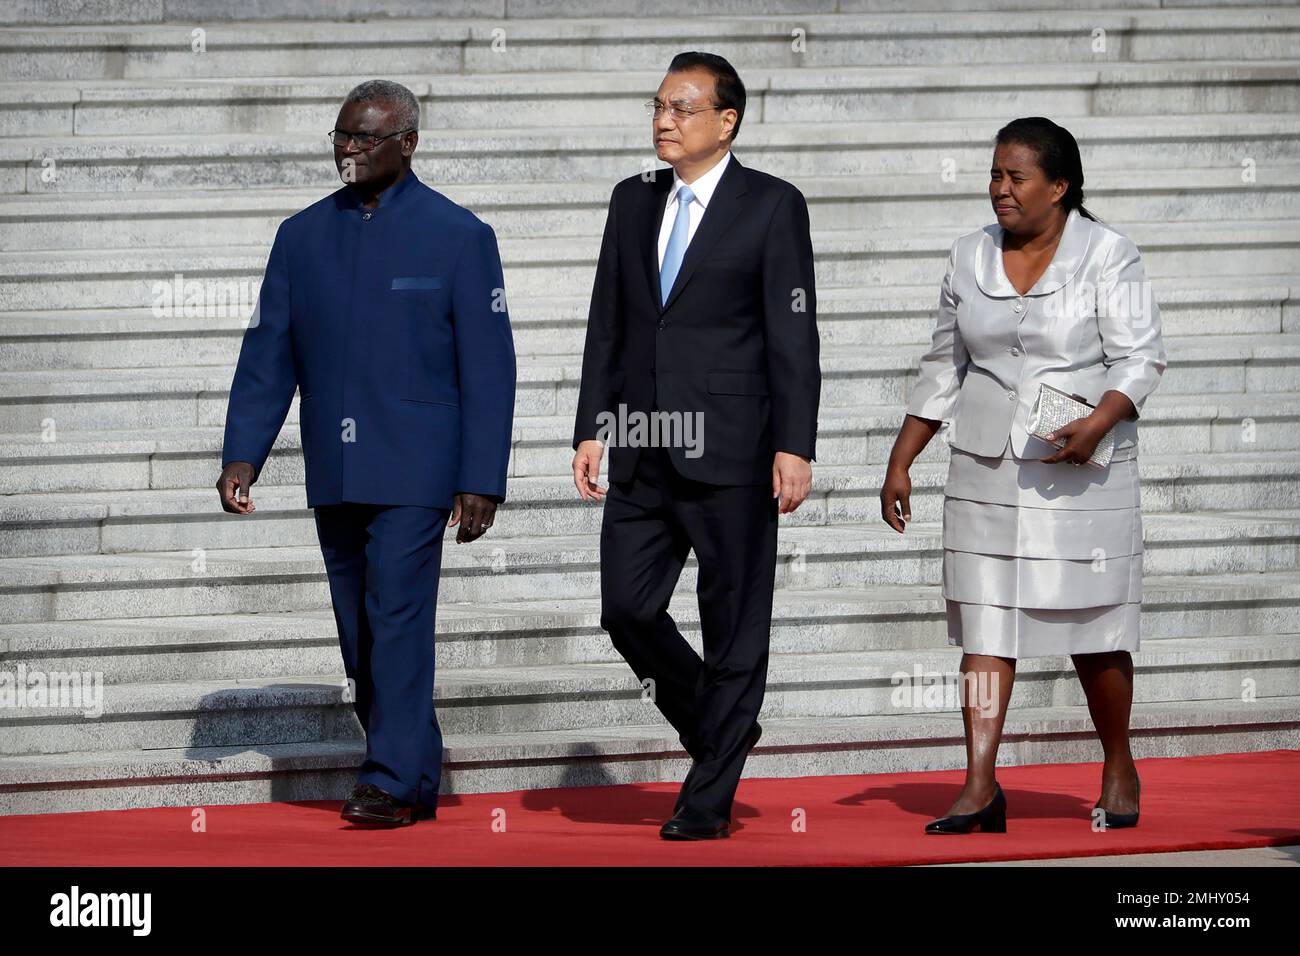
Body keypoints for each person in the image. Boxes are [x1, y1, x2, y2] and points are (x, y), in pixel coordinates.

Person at [216, 79, 516, 828]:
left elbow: (489, 365)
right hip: (335, 465)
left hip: (419, 468)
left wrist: (481, 477)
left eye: (365, 137)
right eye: (341, 135)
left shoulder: (460, 235)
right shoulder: (301, 235)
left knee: (398, 614)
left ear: (407, 144)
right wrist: (243, 452)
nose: (348, 149)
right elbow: (269, 352)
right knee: (360, 625)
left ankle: (384, 776)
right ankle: (413, 770)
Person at [881, 117, 1166, 834]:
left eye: (1017, 177)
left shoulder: (1109, 254)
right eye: (995, 175)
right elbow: (945, 365)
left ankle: (1118, 762)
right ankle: (979, 783)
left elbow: (1141, 357)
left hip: (1079, 468)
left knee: (1094, 623)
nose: (1000, 190)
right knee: (985, 621)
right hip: (983, 465)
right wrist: (902, 457)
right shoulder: (968, 254)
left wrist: (1100, 420)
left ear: (1060, 186)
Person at [571, 52, 820, 840]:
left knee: (735, 620)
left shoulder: (772, 205)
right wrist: (591, 425)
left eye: (681, 109)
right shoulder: (632, 200)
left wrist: (794, 443)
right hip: (643, 441)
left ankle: (709, 797)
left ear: (726, 121)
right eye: (658, 107)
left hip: (737, 448)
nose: (664, 121)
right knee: (626, 608)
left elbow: (793, 334)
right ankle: (722, 728)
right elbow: (607, 319)